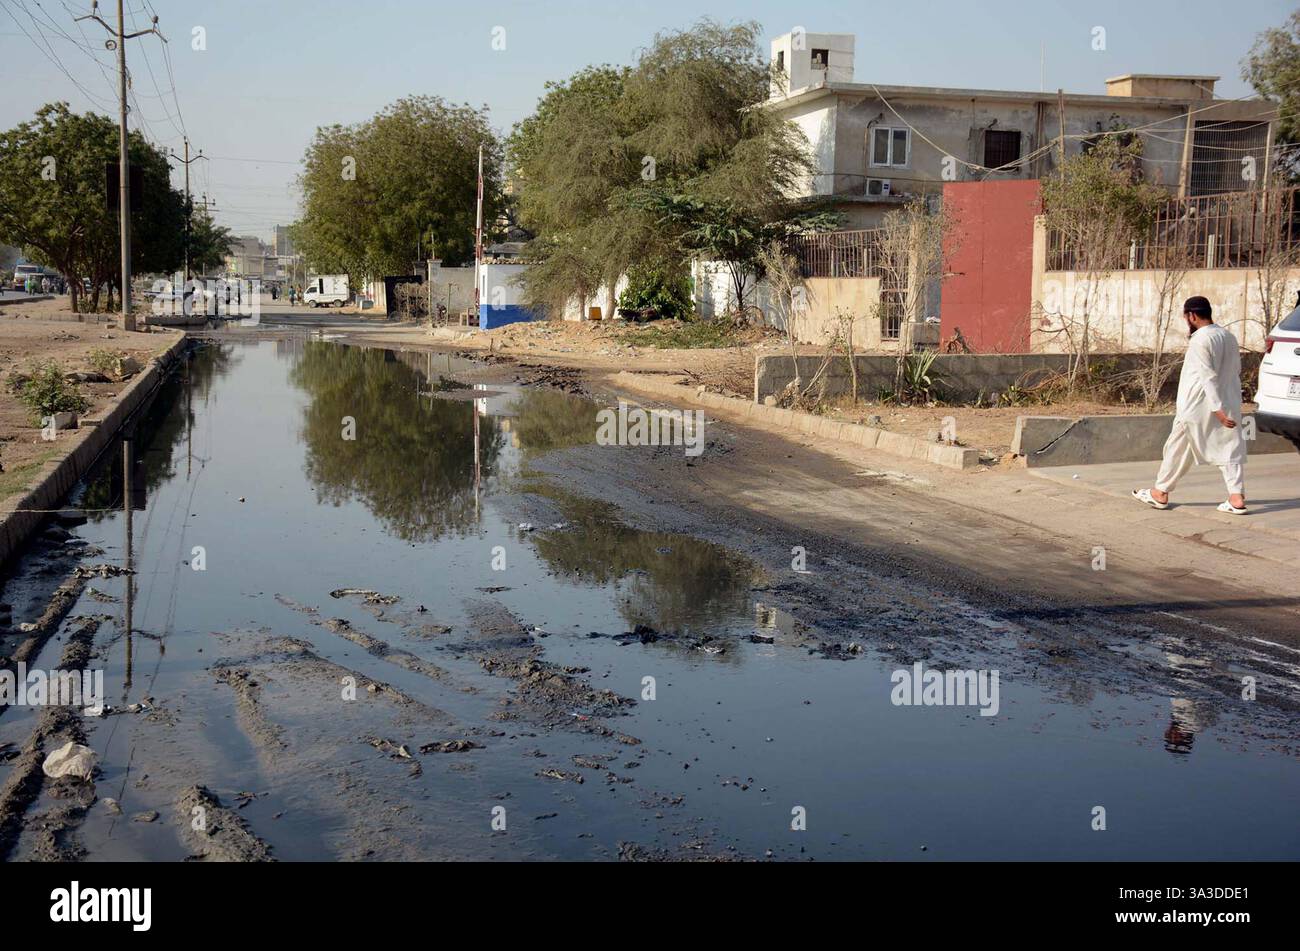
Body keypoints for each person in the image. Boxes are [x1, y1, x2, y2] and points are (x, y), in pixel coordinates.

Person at [1133, 296, 1247, 515]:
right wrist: (1224, 407)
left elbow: (1207, 376)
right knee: (1230, 448)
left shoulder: (1199, 340)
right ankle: (1236, 497)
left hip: (1197, 406)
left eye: (1186, 317)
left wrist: (1217, 410)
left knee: (1176, 448)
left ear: (1191, 316)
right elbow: (1236, 371)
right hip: (1228, 401)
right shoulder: (1229, 337)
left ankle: (1160, 493)